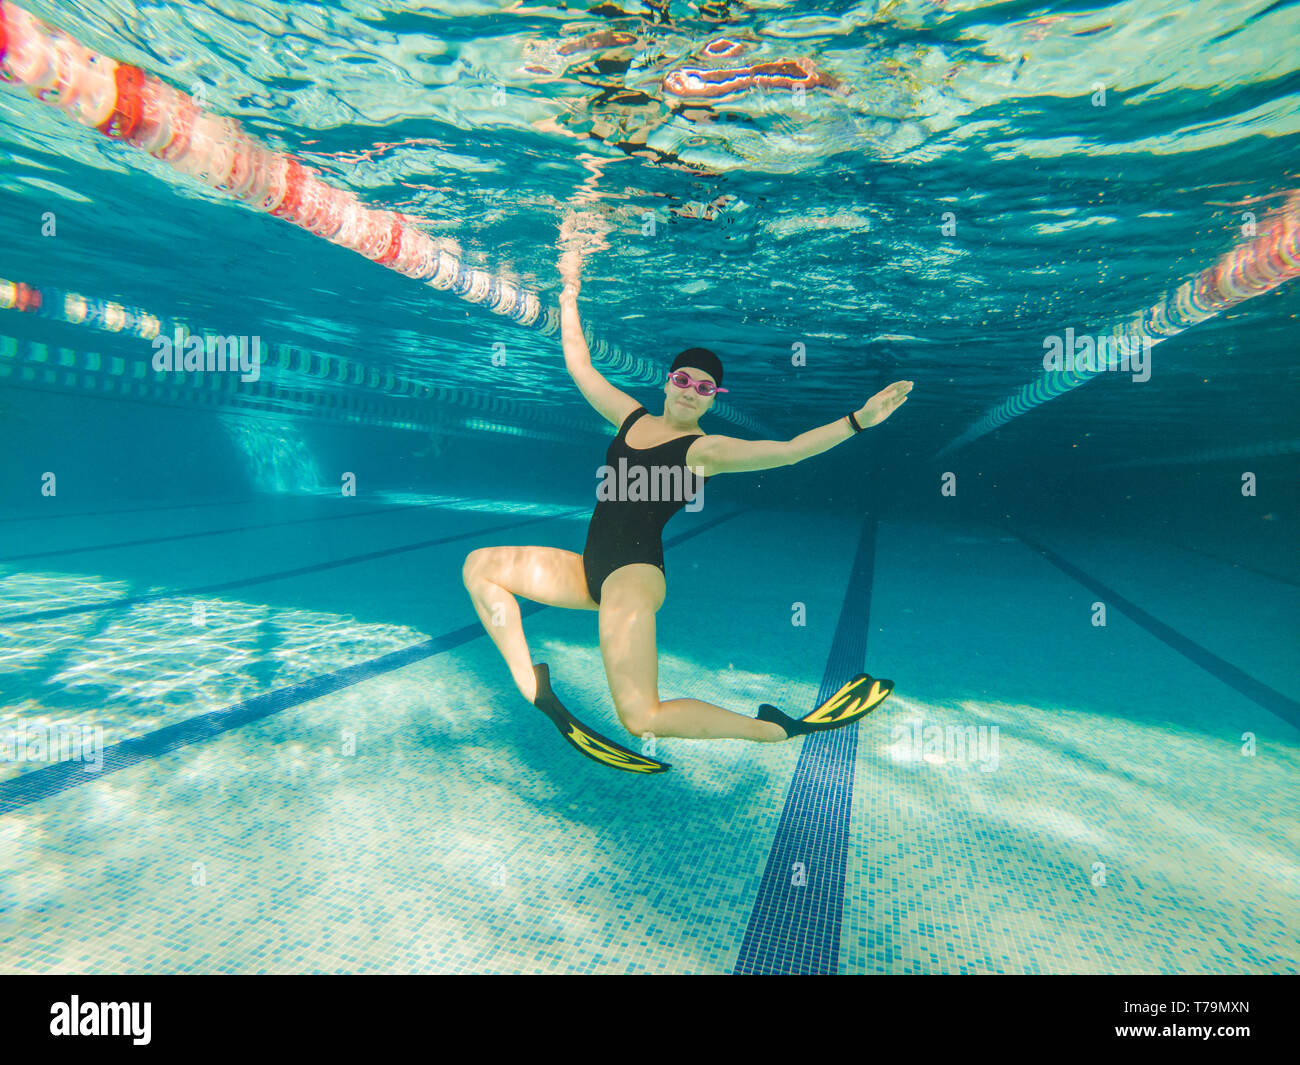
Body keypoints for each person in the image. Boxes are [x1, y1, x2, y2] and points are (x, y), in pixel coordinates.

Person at [461, 213, 912, 772]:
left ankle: (768, 730)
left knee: (641, 717)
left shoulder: (706, 451)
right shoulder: (629, 418)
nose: (693, 392)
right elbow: (579, 365)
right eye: (684, 381)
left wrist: (858, 421)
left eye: (706, 388)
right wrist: (570, 292)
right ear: (668, 382)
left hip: (633, 577)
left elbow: (790, 449)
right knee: (481, 566)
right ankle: (532, 685)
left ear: (712, 397)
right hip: (589, 570)